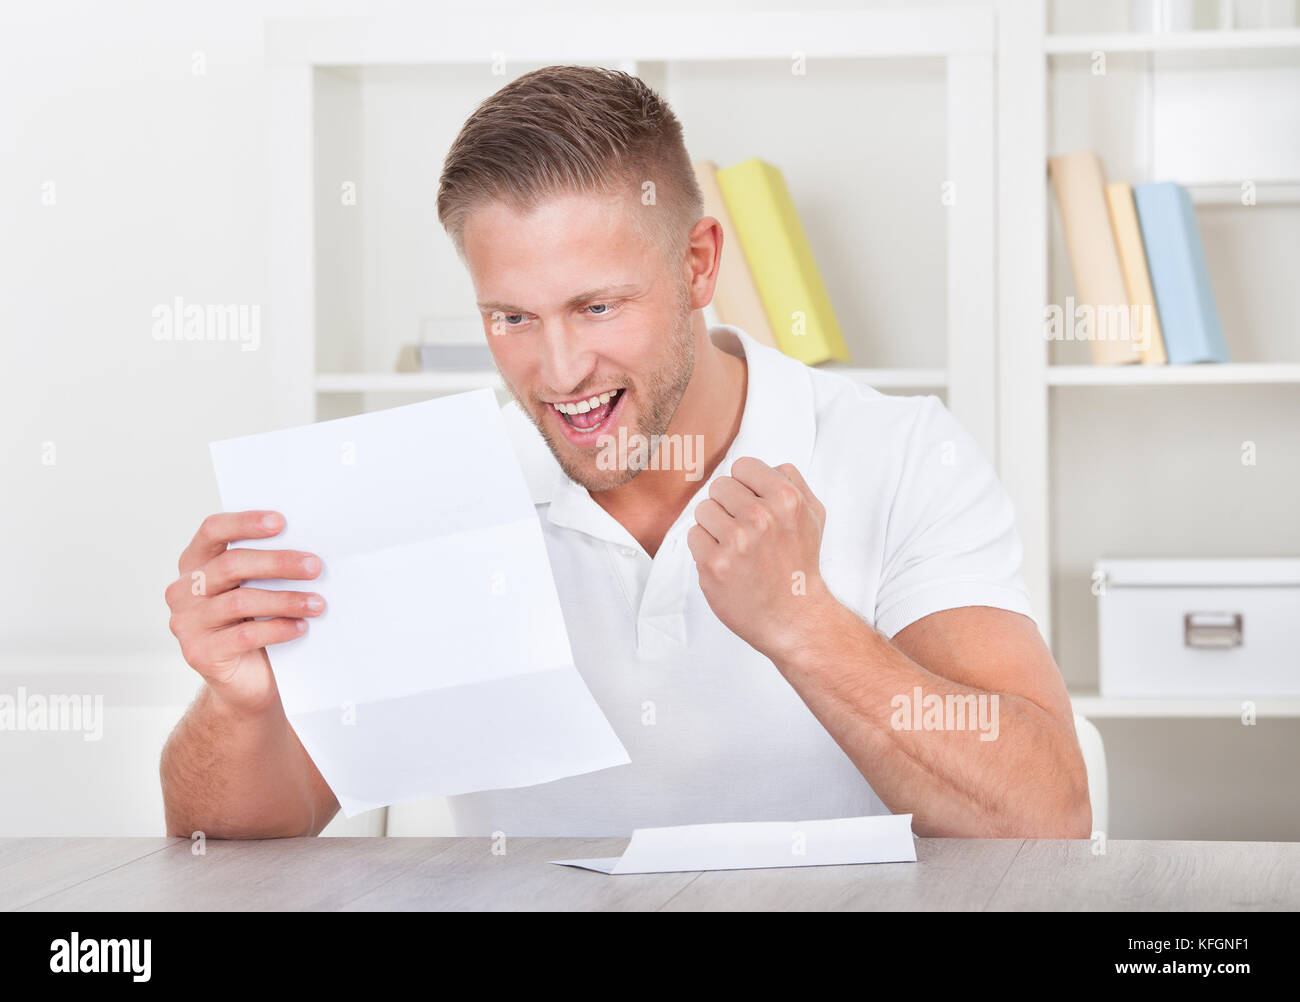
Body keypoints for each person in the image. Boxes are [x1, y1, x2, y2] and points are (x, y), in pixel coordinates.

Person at [161, 65, 1090, 840]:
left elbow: (1045, 819)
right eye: (512, 317)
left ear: (697, 265)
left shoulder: (900, 456)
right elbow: (232, 845)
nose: (559, 371)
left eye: (597, 307)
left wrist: (805, 626)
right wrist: (235, 703)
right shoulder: (432, 489)